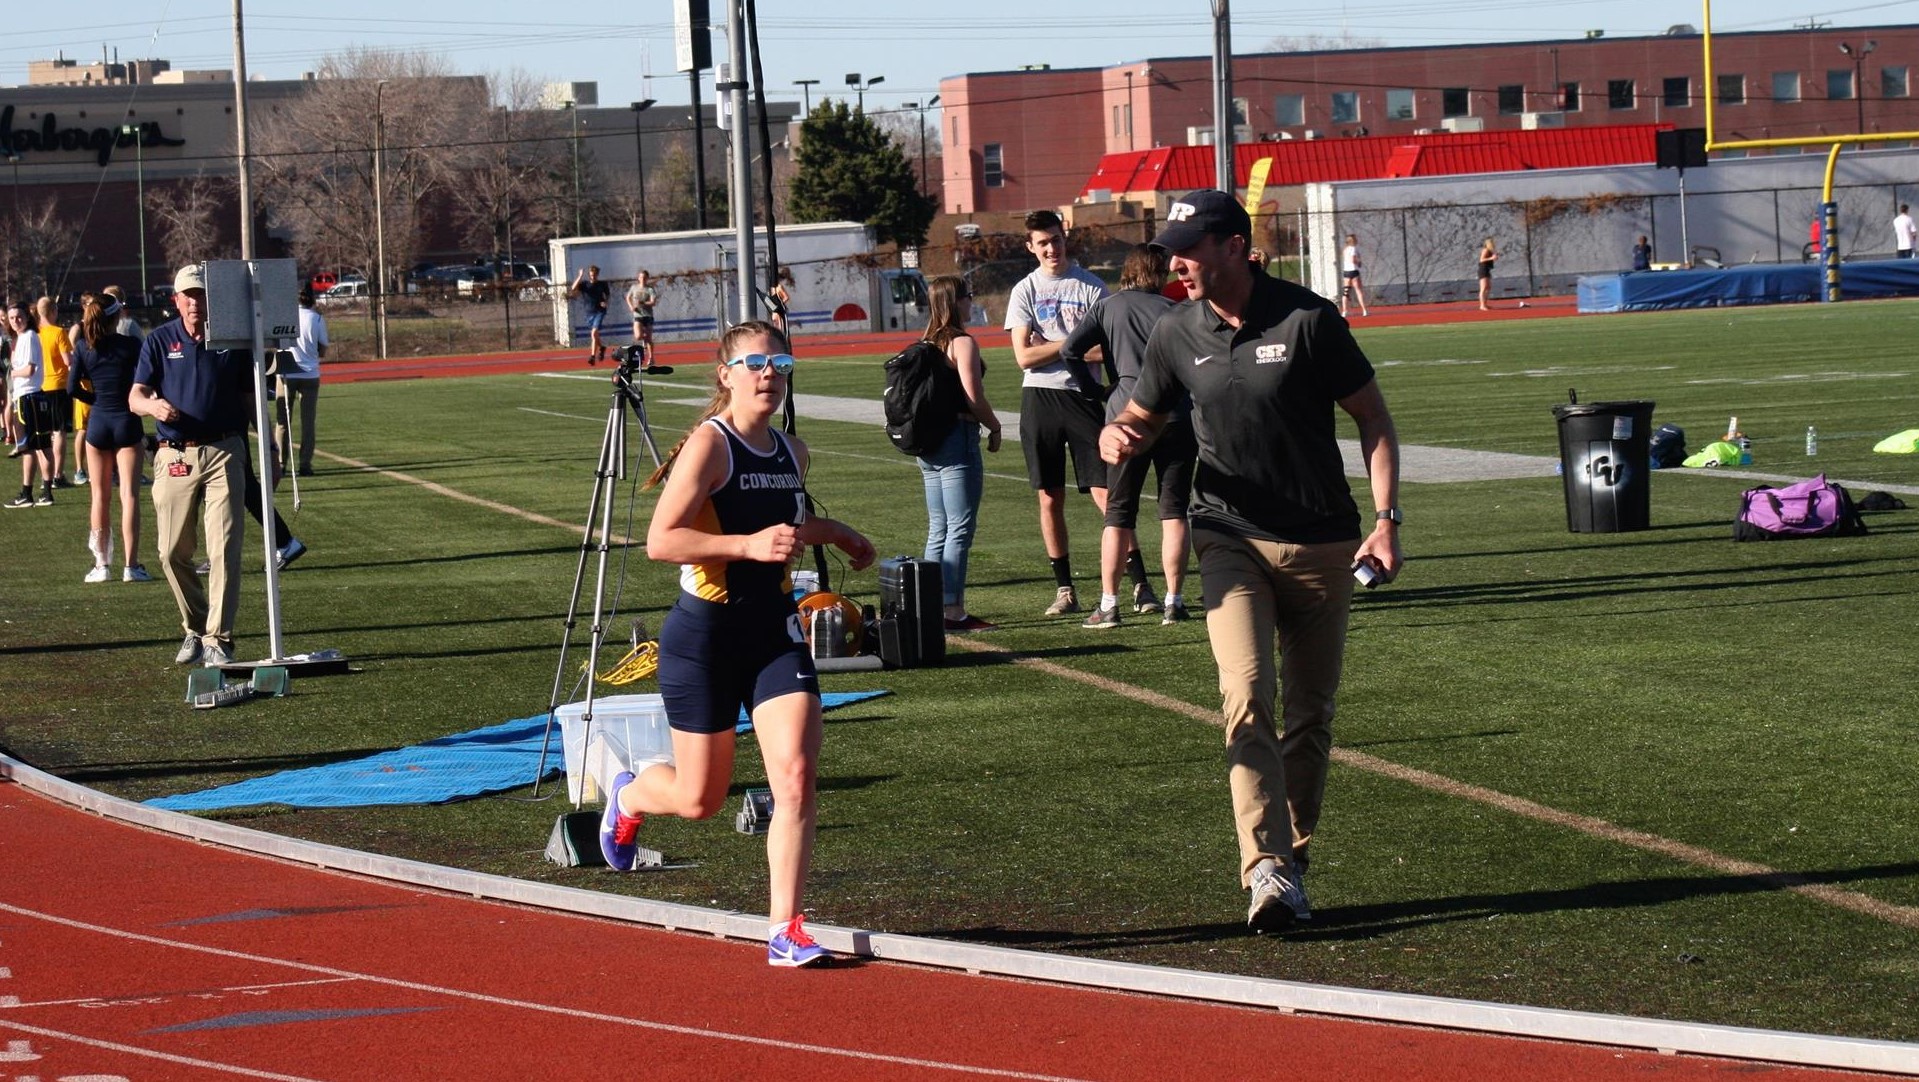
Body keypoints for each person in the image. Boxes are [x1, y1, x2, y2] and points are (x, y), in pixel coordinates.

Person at [1099, 189, 1402, 934]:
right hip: (1225, 534)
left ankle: (1290, 861)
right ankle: (1261, 865)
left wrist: (1386, 520)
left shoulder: (1306, 319)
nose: (1177, 261)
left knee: (1309, 715)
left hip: (1321, 540)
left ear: (1235, 245)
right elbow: (1142, 414)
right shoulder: (1175, 329)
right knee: (1245, 693)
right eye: (1172, 247)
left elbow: (1373, 419)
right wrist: (1119, 436)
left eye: (1190, 247)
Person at [600, 320, 875, 968]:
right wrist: (746, 548)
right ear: (725, 374)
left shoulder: (791, 450)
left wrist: (835, 533)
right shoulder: (709, 446)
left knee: (797, 777)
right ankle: (630, 795)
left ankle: (786, 928)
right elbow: (661, 541)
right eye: (755, 363)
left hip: (773, 631)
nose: (769, 374)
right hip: (704, 636)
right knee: (699, 800)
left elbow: (790, 522)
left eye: (779, 362)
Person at [1058, 244, 1193, 629]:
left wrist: (1095, 391)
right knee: (1174, 510)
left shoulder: (1109, 306)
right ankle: (1173, 600)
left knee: (1118, 513)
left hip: (1125, 414)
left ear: (1128, 271)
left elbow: (1071, 350)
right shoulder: (1176, 309)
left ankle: (1109, 604)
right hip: (1177, 414)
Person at [130, 265, 257, 668]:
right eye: (188, 294)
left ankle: (219, 638)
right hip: (175, 454)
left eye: (201, 294)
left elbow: (249, 396)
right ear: (177, 299)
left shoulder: (231, 338)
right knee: (170, 552)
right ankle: (197, 627)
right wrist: (152, 405)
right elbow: (136, 395)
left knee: (223, 550)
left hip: (224, 452)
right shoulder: (160, 339)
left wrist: (269, 445)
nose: (195, 301)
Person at [1004, 209, 1111, 616]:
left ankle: (1135, 584)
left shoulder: (1093, 288)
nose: (1052, 248)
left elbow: (1108, 348)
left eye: (1056, 239)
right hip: (1040, 400)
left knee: (1105, 493)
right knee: (1050, 497)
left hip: (1083, 396)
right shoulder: (1024, 291)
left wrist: (1055, 345)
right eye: (1043, 242)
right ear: (1031, 247)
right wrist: (1073, 345)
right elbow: (1023, 357)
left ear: (1066, 238)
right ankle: (1065, 589)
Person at [916, 275, 1002, 633]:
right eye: (969, 295)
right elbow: (973, 396)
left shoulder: (925, 342)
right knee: (960, 527)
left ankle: (929, 604)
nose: (972, 300)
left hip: (928, 442)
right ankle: (952, 608)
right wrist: (995, 426)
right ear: (957, 301)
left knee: (939, 527)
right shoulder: (961, 342)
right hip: (956, 437)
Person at [68, 294, 152, 583]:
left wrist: (95, 398)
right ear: (117, 318)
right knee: (128, 495)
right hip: (127, 421)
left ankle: (102, 565)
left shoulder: (83, 347)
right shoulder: (130, 345)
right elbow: (148, 378)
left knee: (99, 496)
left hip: (99, 422)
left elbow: (71, 389)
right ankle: (132, 565)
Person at [5, 302, 57, 508]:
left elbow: (29, 370)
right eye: (11, 318)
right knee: (37, 446)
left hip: (29, 396)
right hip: (26, 396)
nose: (15, 321)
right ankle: (43, 491)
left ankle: (30, 493)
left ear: (27, 317)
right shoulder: (21, 339)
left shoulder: (29, 337)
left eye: (19, 317)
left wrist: (12, 373)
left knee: (31, 447)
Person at [276, 286, 327, 477]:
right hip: (310, 375)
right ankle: (305, 464)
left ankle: (281, 463)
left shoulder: (284, 317)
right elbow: (323, 349)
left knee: (282, 422)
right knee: (308, 423)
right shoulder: (317, 318)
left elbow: (275, 343)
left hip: (287, 374)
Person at [35, 297, 73, 488]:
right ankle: (58, 474)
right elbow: (68, 360)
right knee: (59, 432)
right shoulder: (59, 332)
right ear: (53, 312)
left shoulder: (35, 334)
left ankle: (46, 476)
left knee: (44, 433)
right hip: (58, 385)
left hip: (39, 387)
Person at [569, 265, 612, 365]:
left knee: (593, 333)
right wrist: (580, 276)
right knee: (595, 335)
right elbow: (573, 288)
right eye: (591, 275)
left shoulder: (602, 284)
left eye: (595, 275)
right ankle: (601, 347)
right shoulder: (585, 284)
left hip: (600, 311)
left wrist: (605, 302)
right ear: (589, 275)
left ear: (597, 275)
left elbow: (608, 296)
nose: (593, 277)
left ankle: (592, 356)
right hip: (589, 312)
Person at [625, 269, 658, 356]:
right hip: (638, 315)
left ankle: (651, 357)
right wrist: (631, 307)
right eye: (641, 277)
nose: (642, 279)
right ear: (638, 278)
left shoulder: (650, 289)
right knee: (638, 336)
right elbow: (628, 297)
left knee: (649, 338)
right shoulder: (634, 287)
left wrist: (643, 303)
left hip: (648, 315)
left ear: (647, 278)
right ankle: (644, 339)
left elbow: (653, 302)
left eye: (644, 277)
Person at [1339, 234, 1370, 318]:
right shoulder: (1353, 249)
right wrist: (1358, 263)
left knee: (1346, 291)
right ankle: (1364, 310)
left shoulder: (1345, 250)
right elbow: (1353, 259)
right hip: (1353, 271)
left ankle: (1344, 311)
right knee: (1358, 290)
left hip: (1346, 272)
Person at [768, 265, 795, 336]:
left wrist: (779, 304)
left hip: (779, 309)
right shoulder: (773, 288)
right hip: (775, 309)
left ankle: (781, 339)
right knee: (775, 323)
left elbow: (786, 297)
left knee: (780, 325)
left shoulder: (779, 287)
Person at [1476, 237, 1497, 310]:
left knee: (1488, 287)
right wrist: (1491, 258)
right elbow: (1481, 260)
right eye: (1492, 243)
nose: (1494, 244)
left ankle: (1485, 304)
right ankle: (1482, 305)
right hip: (1483, 270)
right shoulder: (1485, 250)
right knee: (1483, 288)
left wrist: (1493, 257)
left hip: (1487, 270)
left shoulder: (1490, 251)